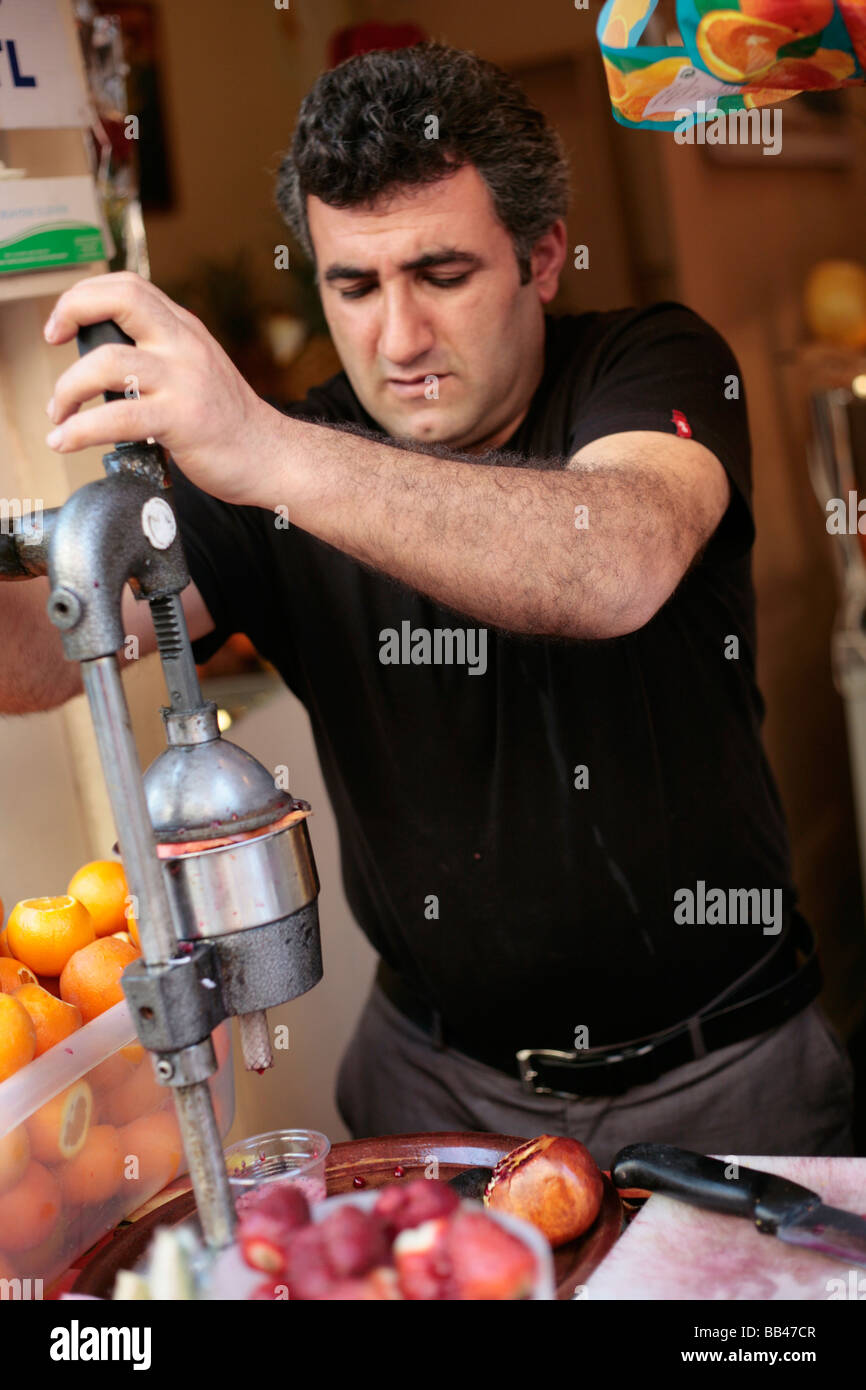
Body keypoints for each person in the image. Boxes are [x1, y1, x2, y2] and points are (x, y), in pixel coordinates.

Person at [19, 43, 854, 1167]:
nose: (399, 339)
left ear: (542, 257)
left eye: (442, 275)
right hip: (432, 1084)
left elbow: (614, 562)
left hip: (722, 1079)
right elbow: (49, 649)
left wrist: (264, 448)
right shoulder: (276, 469)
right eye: (353, 287)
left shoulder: (653, 361)